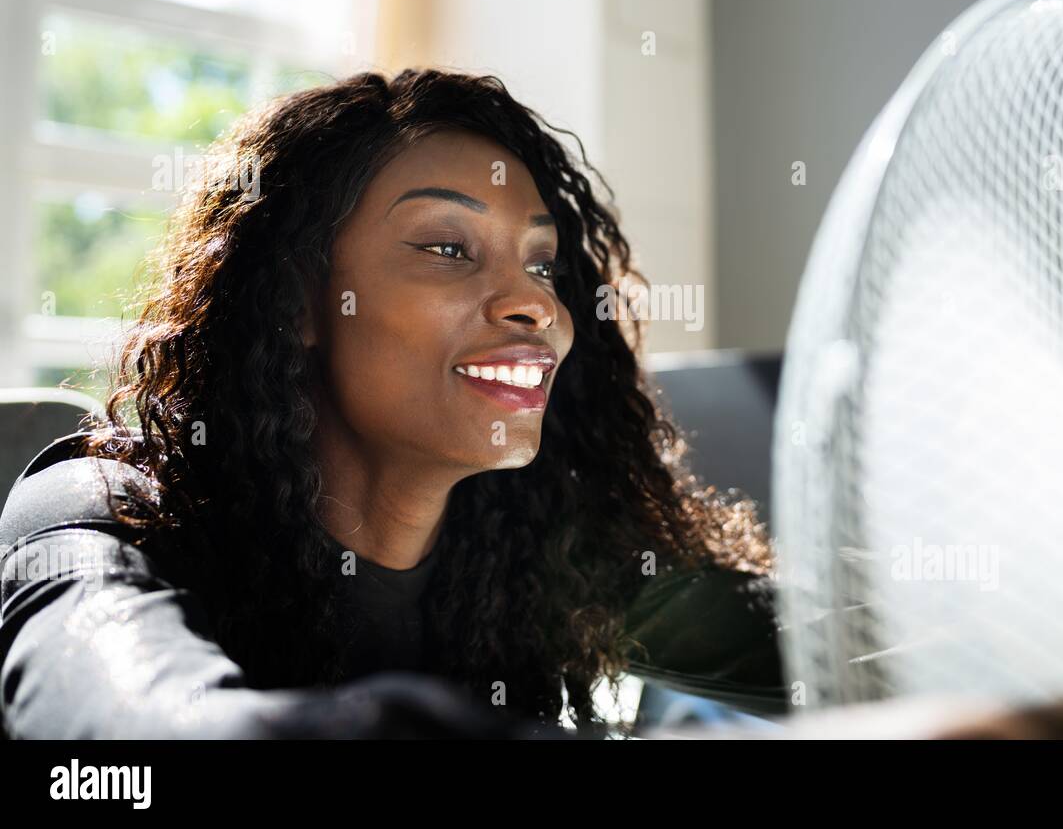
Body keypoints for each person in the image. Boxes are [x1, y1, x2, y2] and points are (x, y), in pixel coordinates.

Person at [0, 68, 787, 739]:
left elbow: (832, 644)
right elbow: (126, 714)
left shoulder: (533, 548)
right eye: (447, 248)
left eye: (543, 266)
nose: (536, 306)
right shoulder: (101, 508)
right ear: (297, 302)